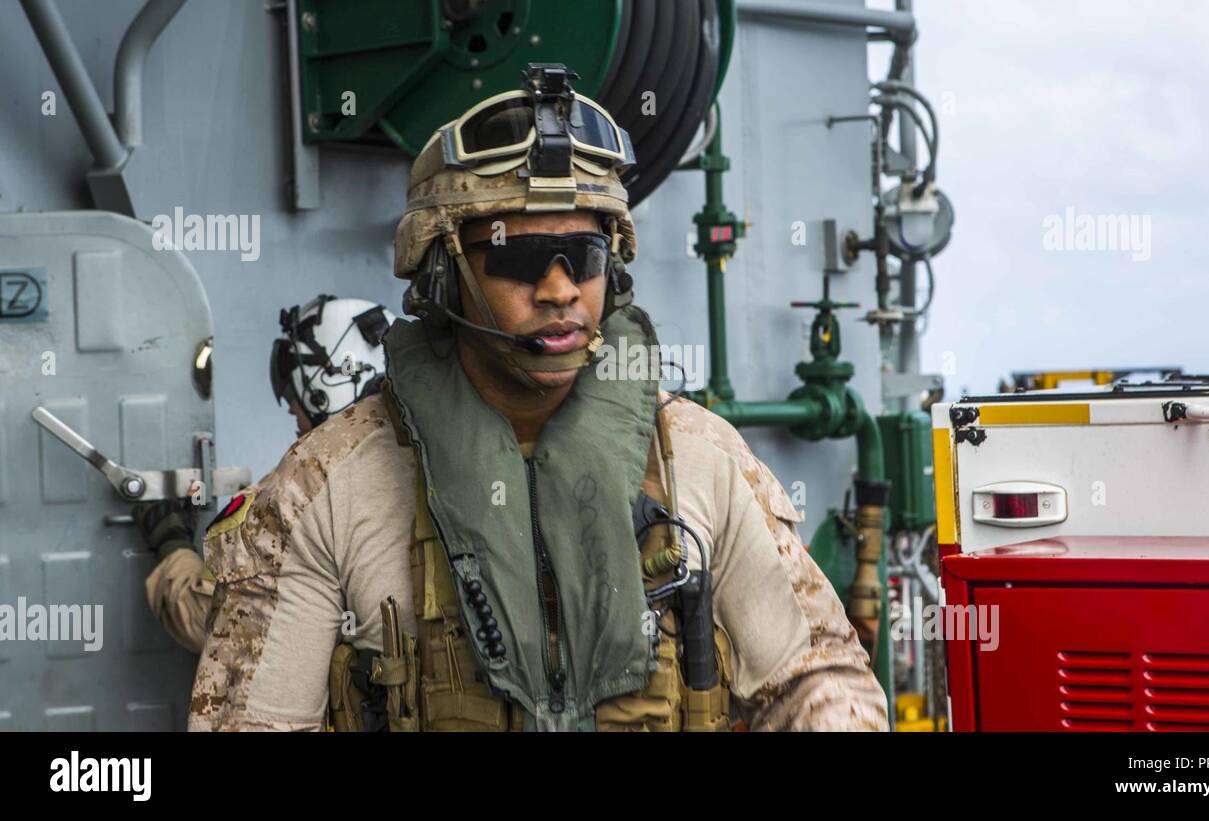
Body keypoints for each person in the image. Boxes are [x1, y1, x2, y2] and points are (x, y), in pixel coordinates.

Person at [189, 64, 888, 732]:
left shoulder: (701, 462)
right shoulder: (327, 486)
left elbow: (817, 680)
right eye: (518, 258)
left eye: (583, 256)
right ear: (443, 270)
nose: (559, 289)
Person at [135, 297, 393, 654]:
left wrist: (172, 546)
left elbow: (211, 620)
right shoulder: (419, 459)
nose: (289, 404)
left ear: (326, 387)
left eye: (293, 384)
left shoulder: (303, 490)